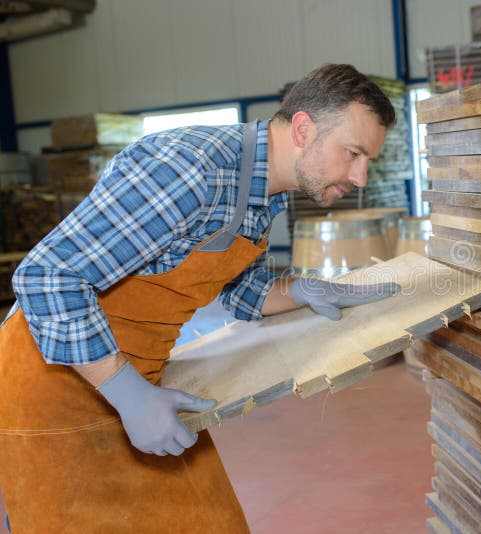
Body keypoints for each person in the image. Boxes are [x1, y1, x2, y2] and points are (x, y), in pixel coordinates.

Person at [0, 64, 399, 532]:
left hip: (141, 387)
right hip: (58, 394)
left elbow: (237, 288)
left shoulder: (263, 191)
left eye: (367, 160)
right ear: (304, 128)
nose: (361, 177)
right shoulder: (192, 171)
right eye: (353, 154)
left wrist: (305, 290)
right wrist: (127, 394)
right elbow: (47, 278)